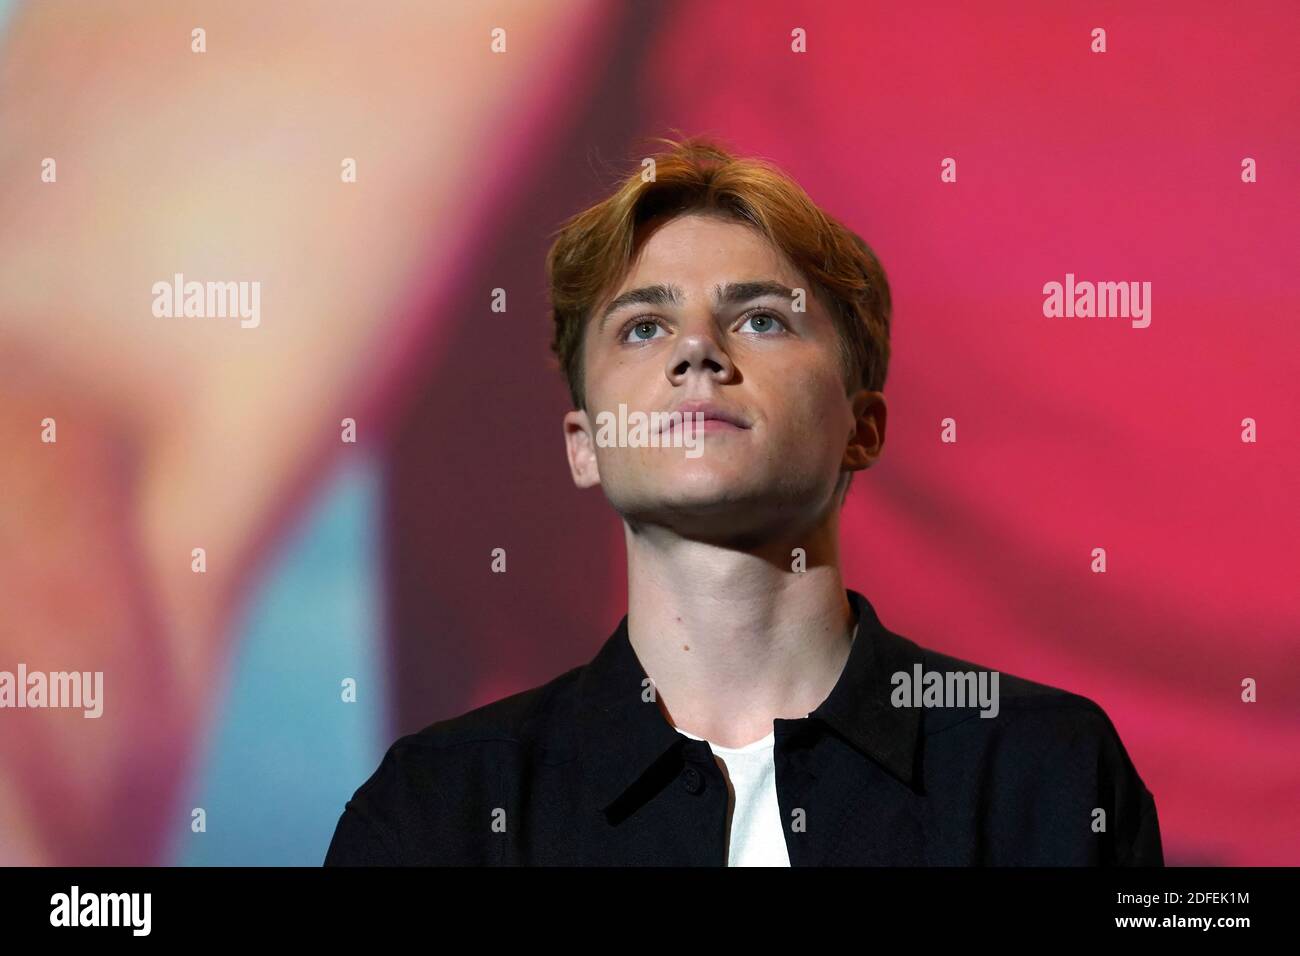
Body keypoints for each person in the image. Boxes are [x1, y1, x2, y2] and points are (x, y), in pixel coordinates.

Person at [324, 136, 1163, 866]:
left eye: (761, 319)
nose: (698, 350)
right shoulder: (439, 808)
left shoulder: (1046, 771)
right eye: (643, 327)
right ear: (584, 445)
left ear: (861, 427)